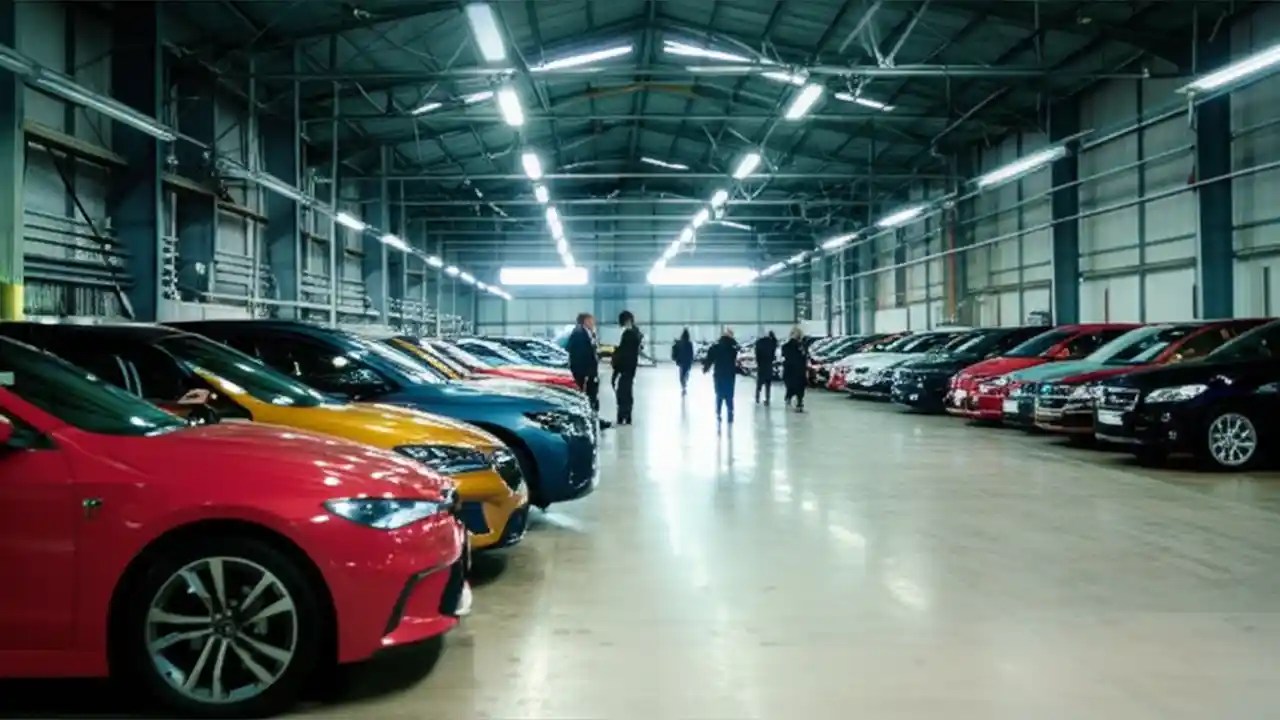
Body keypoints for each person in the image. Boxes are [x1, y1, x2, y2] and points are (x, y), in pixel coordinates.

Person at [702, 326, 740, 425]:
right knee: (729, 395)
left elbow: (710, 358)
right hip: (730, 374)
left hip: (719, 374)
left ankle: (718, 413)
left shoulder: (716, 347)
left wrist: (706, 368)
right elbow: (736, 361)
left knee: (719, 394)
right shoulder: (733, 348)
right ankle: (730, 414)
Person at [612, 310, 643, 425]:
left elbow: (622, 352)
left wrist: (616, 365)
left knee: (623, 392)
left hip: (624, 367)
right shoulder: (635, 333)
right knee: (626, 391)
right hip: (629, 367)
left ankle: (622, 416)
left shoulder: (629, 334)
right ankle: (627, 415)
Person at [568, 312, 600, 414]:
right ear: (586, 321)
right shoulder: (579, 334)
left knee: (592, 393)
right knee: (587, 394)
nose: (593, 323)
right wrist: (586, 372)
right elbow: (580, 354)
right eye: (591, 321)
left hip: (588, 371)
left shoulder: (587, 332)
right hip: (583, 372)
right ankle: (589, 413)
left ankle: (591, 412)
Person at [781, 325, 808, 412]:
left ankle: (789, 398)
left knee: (791, 386)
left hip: (790, 371)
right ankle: (799, 403)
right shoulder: (802, 347)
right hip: (799, 371)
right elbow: (804, 358)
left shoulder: (785, 346)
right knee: (800, 389)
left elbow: (784, 357)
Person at [754, 330, 778, 405]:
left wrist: (758, 363)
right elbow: (775, 346)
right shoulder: (771, 343)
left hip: (761, 366)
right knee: (768, 384)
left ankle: (757, 397)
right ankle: (767, 399)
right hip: (769, 365)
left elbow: (757, 355)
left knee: (759, 383)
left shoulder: (758, 343)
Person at [672, 328, 695, 395]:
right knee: (685, 373)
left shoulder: (680, 343)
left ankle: (683, 386)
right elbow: (691, 353)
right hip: (687, 361)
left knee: (682, 374)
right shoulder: (689, 343)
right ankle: (684, 385)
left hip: (681, 361)